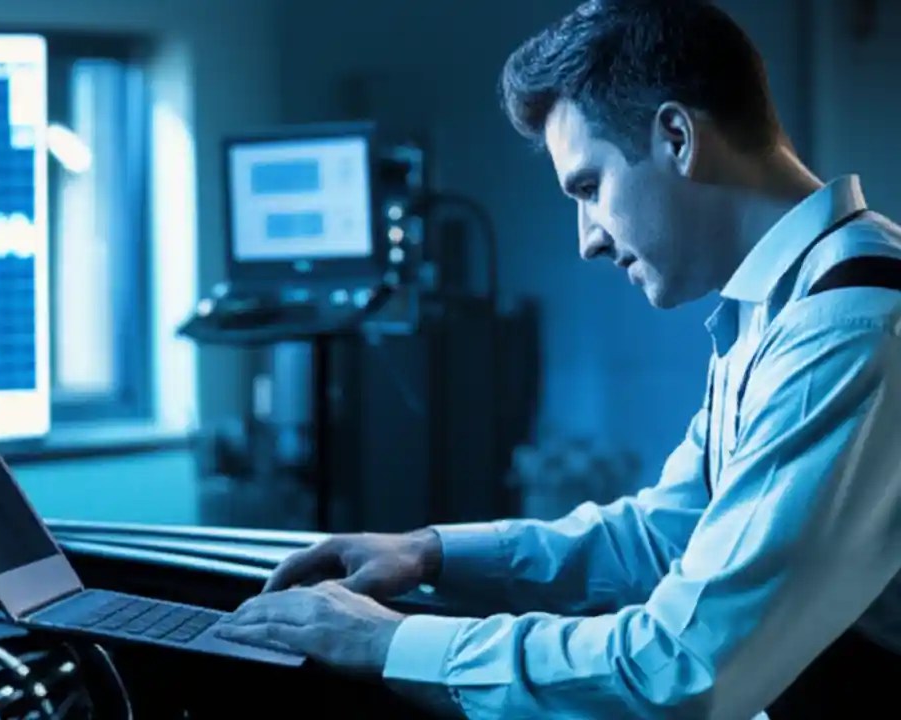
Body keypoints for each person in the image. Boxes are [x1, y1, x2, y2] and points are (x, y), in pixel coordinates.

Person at [215, 0, 901, 717]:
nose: (588, 240)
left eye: (589, 188)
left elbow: (682, 671)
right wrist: (430, 553)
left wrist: (387, 641)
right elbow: (664, 537)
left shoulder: (852, 325)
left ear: (676, 137)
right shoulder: (784, 303)